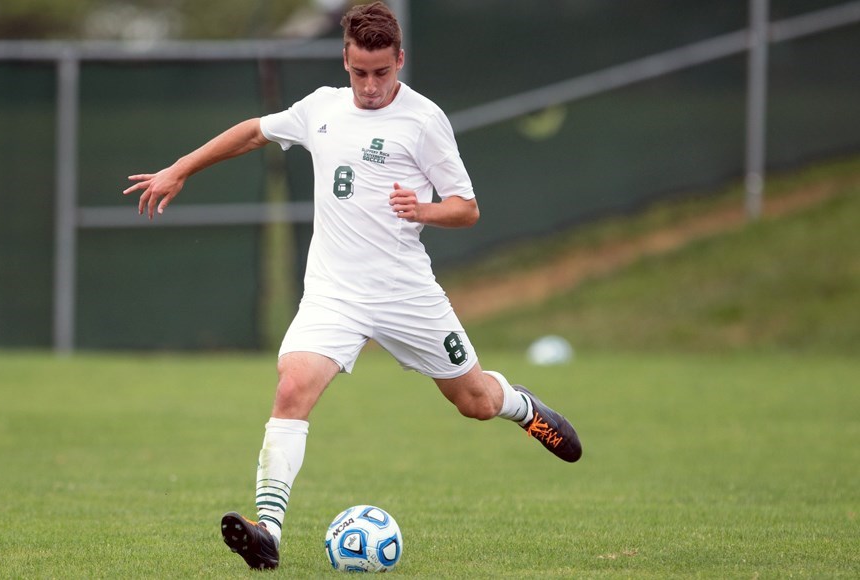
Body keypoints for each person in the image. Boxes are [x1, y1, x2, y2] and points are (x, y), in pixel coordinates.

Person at [123, 1, 581, 570]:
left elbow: (467, 209)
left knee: (476, 403)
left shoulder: (424, 121)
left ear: (400, 61)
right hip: (334, 294)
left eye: (381, 72)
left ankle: (522, 406)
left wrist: (424, 210)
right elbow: (252, 133)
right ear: (345, 60)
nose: (369, 85)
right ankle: (268, 532)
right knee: (292, 387)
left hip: (405, 293)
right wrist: (180, 168)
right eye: (359, 72)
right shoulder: (321, 108)